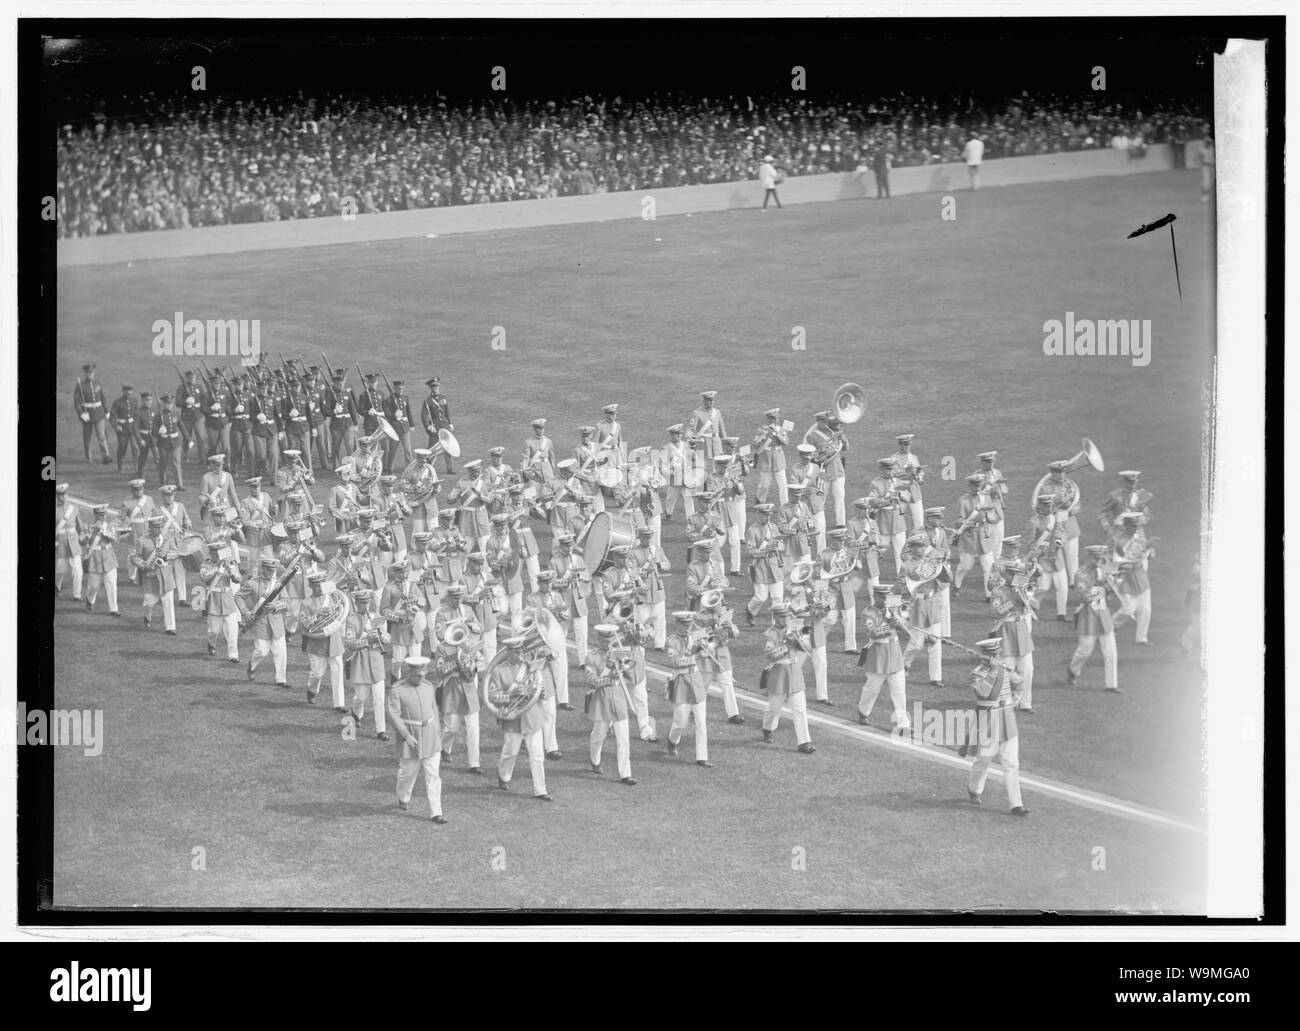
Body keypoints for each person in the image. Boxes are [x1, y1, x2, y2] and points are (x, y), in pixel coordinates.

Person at [963, 638, 1031, 816]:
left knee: (1011, 763)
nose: (997, 657)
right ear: (984, 656)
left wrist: (1013, 702)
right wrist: (994, 671)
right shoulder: (976, 674)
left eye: (997, 654)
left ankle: (1016, 804)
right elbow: (984, 693)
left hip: (1007, 719)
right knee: (983, 761)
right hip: (988, 719)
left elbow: (1020, 684)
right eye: (993, 655)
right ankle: (974, 790)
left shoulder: (1004, 670)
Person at [386, 656, 447, 823]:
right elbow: (394, 716)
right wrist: (406, 735)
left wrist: (437, 729)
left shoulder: (428, 687)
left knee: (433, 774)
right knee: (407, 773)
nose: (422, 678)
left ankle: (436, 812)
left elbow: (433, 708)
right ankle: (403, 797)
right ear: (410, 672)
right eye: (418, 675)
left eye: (424, 673)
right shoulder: (397, 690)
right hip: (411, 738)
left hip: (430, 736)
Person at [491, 636, 552, 801]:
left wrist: (542, 692)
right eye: (515, 651)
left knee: (537, 755)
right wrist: (511, 694)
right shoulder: (498, 670)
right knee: (510, 752)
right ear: (508, 651)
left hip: (532, 716)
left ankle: (541, 790)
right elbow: (493, 697)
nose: (519, 654)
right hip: (513, 718)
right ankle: (503, 776)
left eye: (520, 650)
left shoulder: (531, 667)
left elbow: (540, 687)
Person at [431, 584, 484, 774]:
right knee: (452, 727)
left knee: (473, 725)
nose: (457, 601)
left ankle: (474, 763)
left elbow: (479, 627)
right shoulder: (441, 613)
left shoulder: (467, 609)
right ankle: (444, 748)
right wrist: (455, 661)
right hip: (452, 682)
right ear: (448, 598)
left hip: (469, 679)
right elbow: (439, 633)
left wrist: (471, 625)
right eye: (454, 598)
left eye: (459, 598)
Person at [582, 625, 636, 785]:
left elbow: (631, 677)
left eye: (610, 639)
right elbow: (591, 682)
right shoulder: (591, 657)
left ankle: (625, 774)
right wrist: (609, 669)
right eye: (605, 639)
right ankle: (595, 760)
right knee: (598, 736)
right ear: (598, 639)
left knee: (623, 739)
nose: (608, 642)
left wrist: (626, 665)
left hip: (618, 697)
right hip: (601, 699)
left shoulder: (620, 653)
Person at [760, 603, 815, 751]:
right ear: (776, 617)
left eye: (787, 616)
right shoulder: (771, 634)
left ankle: (804, 743)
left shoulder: (794, 631)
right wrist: (785, 645)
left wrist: (800, 640)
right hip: (779, 673)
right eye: (782, 617)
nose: (785, 619)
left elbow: (808, 648)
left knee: (800, 710)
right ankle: (767, 728)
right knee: (774, 708)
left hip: (794, 672)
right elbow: (770, 655)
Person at [1068, 545, 1122, 693]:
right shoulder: (1081, 574)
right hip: (1088, 614)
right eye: (1096, 558)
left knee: (1110, 651)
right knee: (1085, 650)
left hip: (1103, 613)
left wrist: (1111, 583)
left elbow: (1110, 593)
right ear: (1089, 558)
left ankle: (1111, 685)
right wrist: (1101, 588)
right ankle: (1073, 670)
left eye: (1101, 558)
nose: (1099, 562)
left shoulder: (1102, 571)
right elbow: (1084, 597)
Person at [899, 532, 949, 689]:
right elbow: (901, 585)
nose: (922, 549)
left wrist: (944, 569)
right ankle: (903, 665)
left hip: (932, 603)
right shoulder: (907, 565)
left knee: (935, 643)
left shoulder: (932, 564)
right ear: (912, 549)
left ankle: (936, 677)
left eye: (923, 546)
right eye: (918, 547)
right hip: (917, 605)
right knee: (916, 643)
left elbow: (946, 582)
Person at [856, 587, 910, 731]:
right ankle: (863, 711)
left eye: (887, 597)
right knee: (871, 689)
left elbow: (903, 625)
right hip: (878, 655)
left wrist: (900, 623)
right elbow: (872, 633)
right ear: (875, 596)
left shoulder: (892, 610)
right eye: (882, 597)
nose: (886, 600)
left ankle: (903, 724)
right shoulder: (868, 613)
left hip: (895, 654)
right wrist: (889, 626)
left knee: (899, 691)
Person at [664, 611, 712, 767]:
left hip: (696, 679)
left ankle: (702, 757)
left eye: (689, 625)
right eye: (685, 625)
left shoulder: (696, 636)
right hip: (681, 680)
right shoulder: (671, 642)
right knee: (680, 722)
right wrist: (694, 651)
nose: (688, 628)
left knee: (701, 721)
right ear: (677, 624)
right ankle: (672, 739)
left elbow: (707, 651)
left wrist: (705, 648)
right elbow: (674, 662)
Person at [990, 560, 1039, 712]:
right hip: (1006, 629)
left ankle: (1025, 703)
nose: (1016, 578)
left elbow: (1037, 607)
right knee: (1006, 668)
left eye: (1018, 574)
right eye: (1013, 575)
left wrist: (1027, 596)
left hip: (1022, 629)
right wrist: (1012, 601)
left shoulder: (1023, 589)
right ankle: (1005, 702)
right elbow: (995, 613)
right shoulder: (998, 591)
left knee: (1027, 669)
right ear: (1007, 574)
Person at [345, 588, 391, 740]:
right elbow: (350, 644)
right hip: (361, 662)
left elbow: (388, 639)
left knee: (379, 699)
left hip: (377, 661)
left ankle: (381, 731)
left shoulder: (376, 618)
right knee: (361, 697)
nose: (365, 605)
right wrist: (367, 640)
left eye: (367, 602)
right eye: (362, 602)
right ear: (356, 603)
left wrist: (381, 637)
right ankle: (355, 712)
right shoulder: (351, 621)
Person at [694, 589, 745, 724]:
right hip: (706, 655)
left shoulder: (724, 614)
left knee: (727, 684)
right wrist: (712, 624)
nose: (718, 605)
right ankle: (696, 710)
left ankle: (733, 714)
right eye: (715, 603)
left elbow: (736, 634)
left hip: (722, 653)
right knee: (703, 685)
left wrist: (730, 628)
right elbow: (695, 635)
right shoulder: (699, 616)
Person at [240, 555, 289, 688]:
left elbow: (287, 602)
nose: (271, 572)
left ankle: (281, 680)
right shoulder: (252, 583)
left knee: (280, 652)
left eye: (273, 570)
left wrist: (275, 606)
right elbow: (238, 596)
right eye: (269, 569)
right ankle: (252, 665)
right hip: (260, 622)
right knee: (261, 651)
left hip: (277, 622)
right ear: (263, 569)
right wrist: (245, 611)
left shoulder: (278, 584)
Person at [301, 569, 348, 708]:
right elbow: (304, 625)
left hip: (334, 640)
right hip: (317, 643)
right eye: (315, 585)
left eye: (321, 584)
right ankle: (312, 689)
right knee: (317, 673)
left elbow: (343, 608)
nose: (319, 587)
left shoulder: (333, 596)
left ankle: (339, 704)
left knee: (338, 672)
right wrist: (319, 616)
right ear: (310, 586)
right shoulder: (307, 602)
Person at [1110, 512, 1154, 646]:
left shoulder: (1138, 533)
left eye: (1137, 525)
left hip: (1140, 574)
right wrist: (1145, 547)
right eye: (1133, 525)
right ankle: (1111, 627)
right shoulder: (1118, 537)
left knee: (1145, 608)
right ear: (1126, 525)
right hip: (1126, 576)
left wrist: (1150, 551)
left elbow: (1145, 550)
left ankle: (1141, 638)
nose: (1136, 528)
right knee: (1128, 609)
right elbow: (1127, 552)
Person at [953, 473, 998, 600]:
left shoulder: (986, 498)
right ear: (969, 486)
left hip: (985, 539)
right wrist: (973, 521)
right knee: (965, 567)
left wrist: (988, 517)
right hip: (969, 539)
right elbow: (958, 522)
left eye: (978, 486)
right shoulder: (963, 500)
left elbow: (994, 517)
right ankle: (956, 585)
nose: (976, 488)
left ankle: (989, 595)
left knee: (988, 568)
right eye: (974, 486)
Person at [130, 514, 177, 634]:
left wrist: (166, 557)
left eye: (161, 526)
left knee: (168, 601)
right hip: (151, 577)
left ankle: (170, 628)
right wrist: (145, 566)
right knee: (149, 602)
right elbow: (134, 557)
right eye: (157, 527)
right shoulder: (142, 541)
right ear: (150, 527)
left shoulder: (167, 538)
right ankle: (147, 615)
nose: (160, 529)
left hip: (166, 576)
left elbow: (175, 552)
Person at [1025, 493, 1069, 620]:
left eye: (1050, 505)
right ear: (1040, 507)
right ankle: (1030, 603)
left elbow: (1064, 534)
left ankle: (1062, 613)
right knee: (1043, 587)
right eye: (1047, 506)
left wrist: (1060, 539)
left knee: (1062, 586)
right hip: (1043, 559)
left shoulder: (1055, 519)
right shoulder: (1033, 522)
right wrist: (1036, 558)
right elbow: (1030, 543)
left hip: (1057, 557)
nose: (1050, 508)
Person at [200, 541, 242, 662]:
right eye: (215, 554)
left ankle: (233, 655)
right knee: (213, 630)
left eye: (219, 553)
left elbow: (239, 579)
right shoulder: (206, 565)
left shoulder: (230, 563)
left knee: (233, 629)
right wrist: (218, 570)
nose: (218, 556)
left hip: (227, 597)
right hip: (214, 599)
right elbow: (205, 579)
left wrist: (231, 571)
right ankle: (211, 643)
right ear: (211, 553)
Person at [744, 502, 785, 625]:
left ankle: (776, 623)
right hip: (760, 565)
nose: (767, 518)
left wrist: (778, 546)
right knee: (761, 597)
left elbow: (781, 545)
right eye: (764, 515)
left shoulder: (773, 527)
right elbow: (751, 552)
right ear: (758, 514)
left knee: (777, 597)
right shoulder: (752, 530)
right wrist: (766, 549)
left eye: (768, 515)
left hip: (774, 564)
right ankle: (750, 610)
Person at [83, 504, 122, 616]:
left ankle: (113, 609)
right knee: (94, 585)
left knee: (111, 583)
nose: (103, 517)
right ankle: (90, 600)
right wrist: (90, 533)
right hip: (95, 556)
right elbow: (82, 541)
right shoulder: (89, 526)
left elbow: (115, 538)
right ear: (95, 515)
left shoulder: (109, 526)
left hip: (108, 556)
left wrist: (106, 532)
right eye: (100, 515)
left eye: (104, 515)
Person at [73, 362, 112, 464]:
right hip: (88, 415)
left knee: (101, 436)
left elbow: (103, 398)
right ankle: (88, 458)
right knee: (87, 437)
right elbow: (77, 402)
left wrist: (107, 410)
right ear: (85, 373)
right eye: (88, 373)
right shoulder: (80, 386)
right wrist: (81, 413)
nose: (90, 374)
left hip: (99, 413)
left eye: (92, 373)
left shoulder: (97, 383)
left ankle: (106, 456)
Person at [753, 408, 790, 507]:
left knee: (783, 485)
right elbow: (755, 444)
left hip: (779, 460)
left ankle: (785, 505)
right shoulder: (762, 430)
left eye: (777, 418)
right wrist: (764, 436)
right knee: (764, 485)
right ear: (768, 419)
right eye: (773, 419)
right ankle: (760, 500)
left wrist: (777, 435)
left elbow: (786, 442)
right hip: (766, 460)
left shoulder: (781, 429)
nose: (776, 421)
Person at [54, 483, 85, 601]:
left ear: (67, 495)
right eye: (60, 495)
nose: (62, 497)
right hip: (60, 543)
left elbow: (80, 525)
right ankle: (57, 586)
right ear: (57, 496)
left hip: (74, 543)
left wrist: (83, 536)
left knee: (78, 570)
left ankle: (77, 595)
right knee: (60, 569)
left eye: (64, 495)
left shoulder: (74, 509)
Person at [1099, 470, 1152, 535]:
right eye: (1130, 483)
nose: (1133, 485)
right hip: (1120, 532)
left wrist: (1142, 519)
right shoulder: (1115, 495)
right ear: (1124, 482)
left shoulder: (1140, 495)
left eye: (1134, 483)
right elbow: (1102, 514)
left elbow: (1146, 514)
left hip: (1137, 533)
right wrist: (1107, 528)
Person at [420, 378, 455, 475]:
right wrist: (428, 426)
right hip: (435, 427)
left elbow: (446, 411)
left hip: (445, 425)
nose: (436, 388)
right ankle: (427, 468)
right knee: (432, 449)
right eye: (434, 386)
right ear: (430, 388)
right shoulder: (427, 401)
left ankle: (450, 469)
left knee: (448, 447)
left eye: (437, 386)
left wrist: (450, 423)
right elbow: (423, 415)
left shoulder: (443, 397)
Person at [659, 424, 694, 520]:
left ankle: (691, 518)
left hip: (686, 477)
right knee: (671, 498)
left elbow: (691, 460)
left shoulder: (686, 445)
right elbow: (662, 464)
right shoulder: (667, 448)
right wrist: (667, 473)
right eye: (676, 434)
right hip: (674, 478)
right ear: (671, 435)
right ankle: (669, 513)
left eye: (680, 433)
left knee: (688, 499)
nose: (679, 435)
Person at [687, 390, 726, 461]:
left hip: (717, 444)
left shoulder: (717, 412)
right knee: (706, 467)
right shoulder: (697, 413)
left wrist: (726, 443)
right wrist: (692, 440)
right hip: (704, 444)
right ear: (704, 400)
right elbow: (692, 429)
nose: (712, 402)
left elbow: (722, 430)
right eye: (709, 400)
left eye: (713, 400)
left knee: (719, 465)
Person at [109, 384, 140, 474]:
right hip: (122, 429)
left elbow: (137, 414)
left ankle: (137, 468)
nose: (129, 393)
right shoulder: (117, 402)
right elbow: (112, 416)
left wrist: (137, 426)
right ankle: (120, 468)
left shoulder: (134, 401)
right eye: (127, 392)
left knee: (136, 449)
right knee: (122, 448)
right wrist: (116, 426)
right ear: (123, 391)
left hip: (132, 428)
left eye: (130, 392)